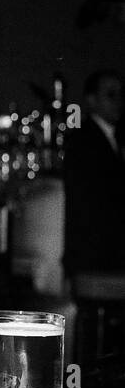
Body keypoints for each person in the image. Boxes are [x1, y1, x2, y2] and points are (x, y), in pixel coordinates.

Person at [62, 69, 125, 278]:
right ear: (92, 100)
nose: (119, 101)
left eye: (120, 94)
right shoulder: (84, 142)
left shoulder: (112, 138)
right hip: (96, 256)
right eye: (110, 95)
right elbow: (94, 205)